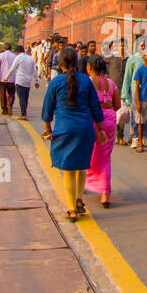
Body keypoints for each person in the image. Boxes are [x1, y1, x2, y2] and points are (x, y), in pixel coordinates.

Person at [42, 46, 105, 222]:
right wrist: (100, 129)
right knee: (81, 167)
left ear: (60, 63)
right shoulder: (86, 81)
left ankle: (71, 209)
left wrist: (48, 129)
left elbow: (47, 109)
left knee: (68, 171)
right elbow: (95, 107)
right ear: (77, 62)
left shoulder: (55, 82)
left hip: (64, 130)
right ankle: (79, 200)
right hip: (85, 129)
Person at [85, 54, 120, 207]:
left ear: (89, 68)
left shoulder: (88, 83)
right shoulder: (111, 83)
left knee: (90, 155)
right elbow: (117, 105)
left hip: (93, 121)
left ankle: (91, 184)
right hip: (110, 121)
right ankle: (104, 193)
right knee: (105, 156)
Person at [131, 49, 147, 151]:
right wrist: (137, 102)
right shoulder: (140, 70)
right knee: (140, 122)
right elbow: (137, 87)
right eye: (146, 55)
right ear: (143, 57)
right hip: (143, 99)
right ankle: (140, 142)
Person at [10, 44, 38, 118]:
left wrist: (6, 77)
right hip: (28, 82)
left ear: (17, 52)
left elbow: (12, 68)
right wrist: (37, 80)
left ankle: (23, 114)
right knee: (25, 98)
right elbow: (34, 70)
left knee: (21, 97)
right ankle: (24, 112)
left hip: (20, 81)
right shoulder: (30, 58)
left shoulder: (18, 58)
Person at [0, 43, 17, 115]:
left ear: (4, 48)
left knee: (2, 94)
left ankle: (4, 109)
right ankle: (10, 105)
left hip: (2, 78)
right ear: (11, 49)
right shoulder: (14, 56)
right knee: (11, 93)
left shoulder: (0, 55)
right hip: (12, 78)